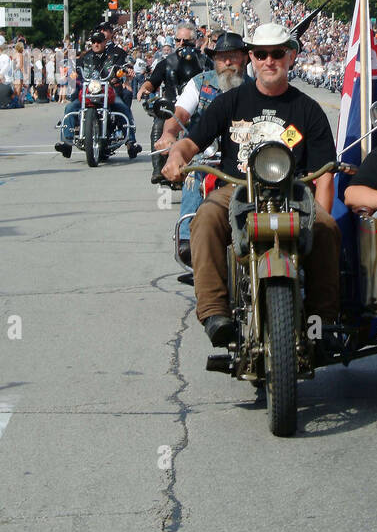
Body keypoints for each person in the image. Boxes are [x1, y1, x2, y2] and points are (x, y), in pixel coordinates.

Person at [161, 24, 340, 349]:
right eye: (261, 54)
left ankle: (321, 322)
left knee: (327, 227)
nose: (269, 61)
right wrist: (176, 156)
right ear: (252, 58)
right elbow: (190, 143)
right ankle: (215, 312)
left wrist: (319, 215)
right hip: (237, 189)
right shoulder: (229, 102)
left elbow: (324, 174)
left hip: (292, 193)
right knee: (204, 218)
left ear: (290, 57)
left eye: (277, 53)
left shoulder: (309, 110)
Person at [154, 33, 252, 270]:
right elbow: (180, 114)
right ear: (214, 60)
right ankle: (187, 239)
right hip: (206, 153)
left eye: (233, 56)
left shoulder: (255, 88)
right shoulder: (199, 84)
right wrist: (169, 134)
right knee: (195, 174)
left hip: (244, 157)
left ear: (245, 59)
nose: (227, 62)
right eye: (221, 57)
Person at [139, 21, 213, 183]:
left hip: (198, 107)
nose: (181, 44)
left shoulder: (205, 61)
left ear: (194, 41)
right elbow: (153, 81)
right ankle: (158, 169)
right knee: (158, 126)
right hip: (171, 107)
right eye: (178, 40)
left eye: (186, 41)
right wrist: (144, 88)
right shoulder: (166, 62)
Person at [55, 31, 141, 156]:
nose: (96, 44)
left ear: (105, 42)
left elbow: (124, 63)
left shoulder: (112, 55)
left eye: (99, 41)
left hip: (108, 91)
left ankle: (130, 143)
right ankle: (67, 143)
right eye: (93, 42)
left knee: (123, 108)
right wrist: (70, 69)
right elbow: (75, 66)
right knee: (70, 108)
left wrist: (126, 68)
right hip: (88, 92)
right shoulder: (86, 57)